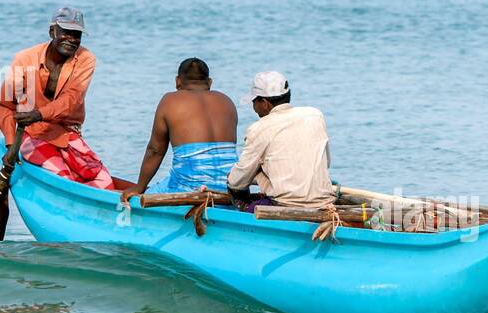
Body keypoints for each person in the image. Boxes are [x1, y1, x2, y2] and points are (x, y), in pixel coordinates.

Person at [0, 7, 116, 190]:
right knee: (63, 178)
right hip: (31, 133)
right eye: (66, 33)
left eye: (76, 34)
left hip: (66, 133)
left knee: (104, 181)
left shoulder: (85, 59)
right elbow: (6, 104)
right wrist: (11, 144)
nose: (72, 40)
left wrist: (38, 114)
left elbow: (72, 99)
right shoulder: (24, 59)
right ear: (52, 31)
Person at [120, 58, 238, 204]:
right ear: (209, 82)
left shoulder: (170, 100)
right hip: (229, 190)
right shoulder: (226, 101)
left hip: (190, 190)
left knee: (145, 196)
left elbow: (155, 150)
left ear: (177, 81)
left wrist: (140, 187)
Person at [226, 72, 335, 210]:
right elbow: (326, 162)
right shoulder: (315, 115)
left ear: (264, 103)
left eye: (254, 102)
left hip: (284, 205)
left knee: (237, 181)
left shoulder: (259, 128)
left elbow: (237, 182)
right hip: (323, 202)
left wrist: (237, 178)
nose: (253, 107)